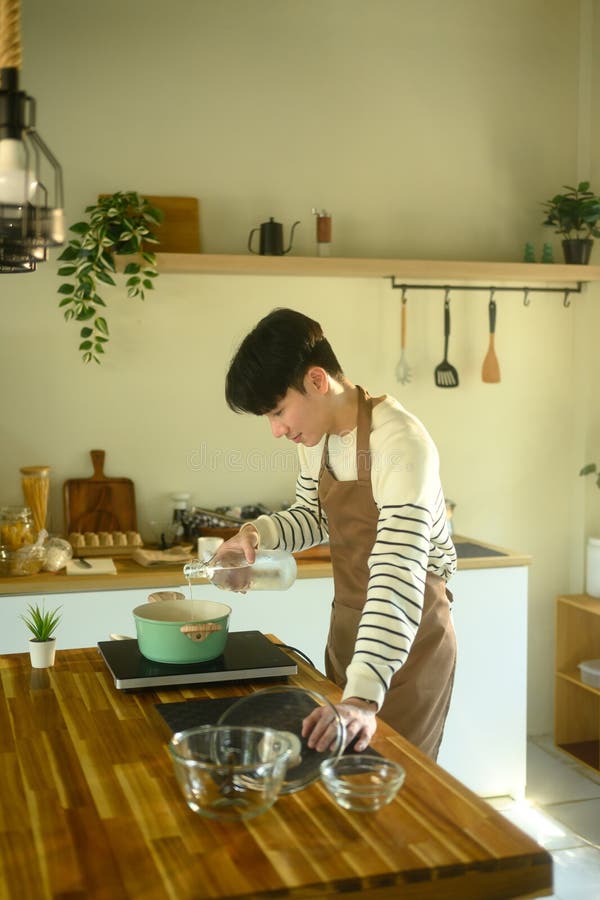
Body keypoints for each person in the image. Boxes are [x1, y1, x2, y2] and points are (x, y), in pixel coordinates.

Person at [222, 308, 457, 760]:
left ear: (316, 380)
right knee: (335, 776)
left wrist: (363, 697)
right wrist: (257, 534)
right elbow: (313, 516)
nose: (277, 431)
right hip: (349, 627)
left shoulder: (401, 443)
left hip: (409, 636)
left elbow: (397, 571)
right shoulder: (320, 439)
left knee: (400, 789)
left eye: (278, 411)